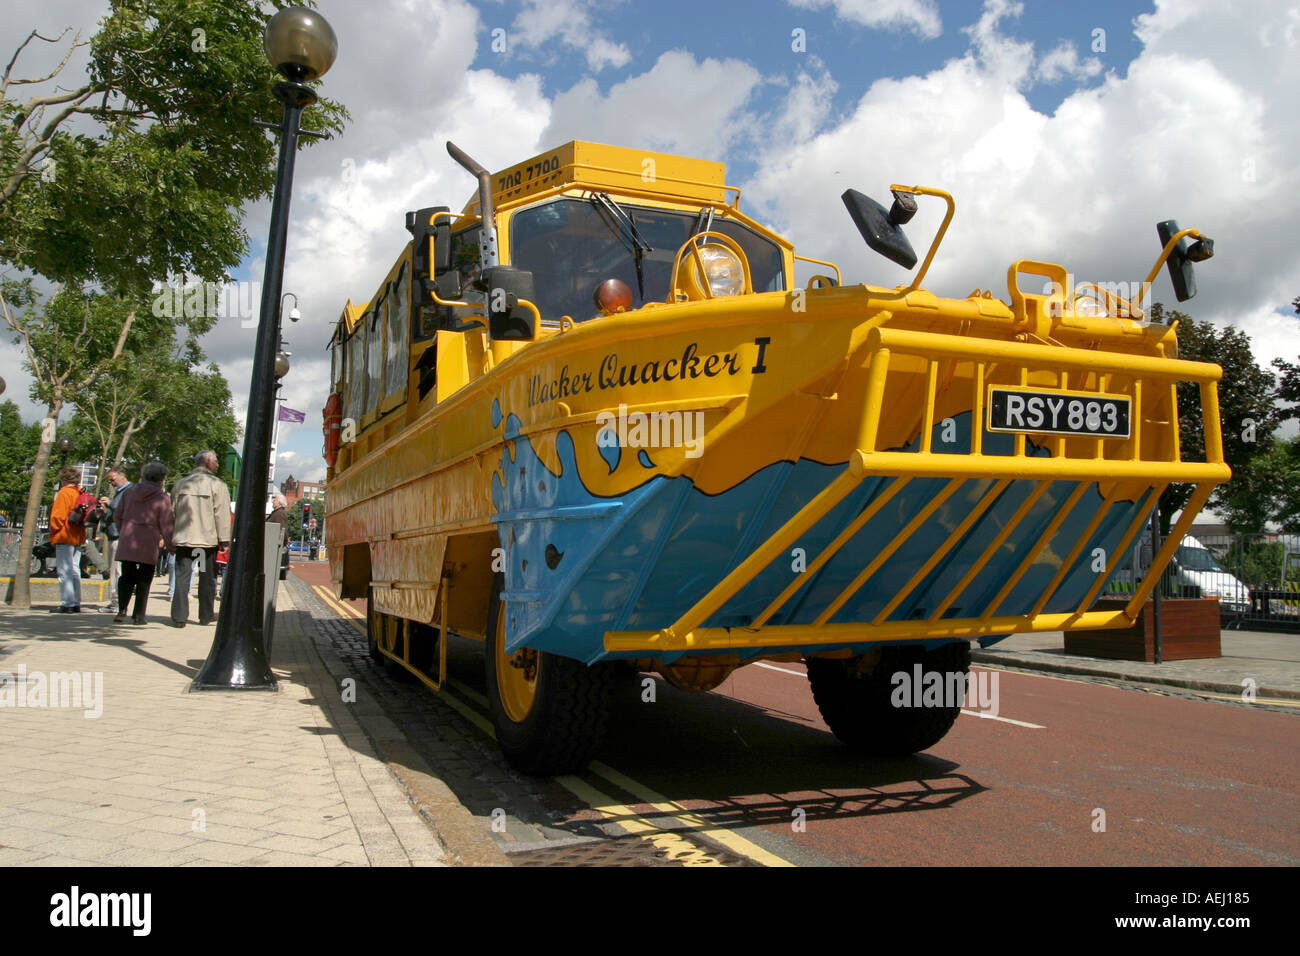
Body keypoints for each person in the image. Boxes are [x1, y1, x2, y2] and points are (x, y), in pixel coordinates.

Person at [169, 450, 231, 627]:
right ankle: (205, 614)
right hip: (205, 542)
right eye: (216, 461)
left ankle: (179, 617)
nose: (218, 464)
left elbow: (171, 512)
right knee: (206, 577)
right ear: (208, 462)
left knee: (182, 578)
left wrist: (169, 536)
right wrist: (224, 540)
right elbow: (222, 514)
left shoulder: (181, 484)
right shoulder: (217, 485)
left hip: (185, 540)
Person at [112, 462, 173, 624]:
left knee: (126, 575)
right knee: (145, 578)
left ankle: (121, 609)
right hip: (149, 540)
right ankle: (139, 614)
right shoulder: (162, 497)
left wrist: (124, 529)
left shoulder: (129, 492)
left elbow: (117, 515)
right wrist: (170, 545)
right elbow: (166, 524)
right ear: (161, 479)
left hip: (128, 538)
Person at [48, 466, 86, 613]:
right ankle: (76, 601)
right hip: (78, 535)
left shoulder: (64, 493)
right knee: (75, 569)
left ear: (63, 479)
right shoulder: (80, 493)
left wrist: (54, 531)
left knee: (64, 570)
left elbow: (58, 517)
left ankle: (67, 602)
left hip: (65, 535)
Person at [98, 468, 133, 612]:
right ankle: (117, 601)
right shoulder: (123, 492)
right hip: (116, 535)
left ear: (122, 476)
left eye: (113, 479)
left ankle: (116, 602)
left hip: (120, 536)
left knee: (117, 571)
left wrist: (110, 503)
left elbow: (126, 510)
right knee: (117, 570)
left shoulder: (129, 491)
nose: (111, 483)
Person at [268, 493, 290, 580]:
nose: (273, 501)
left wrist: (282, 542)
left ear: (280, 503)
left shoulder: (280, 514)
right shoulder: (277, 513)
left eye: (275, 500)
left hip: (273, 545)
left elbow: (281, 530)